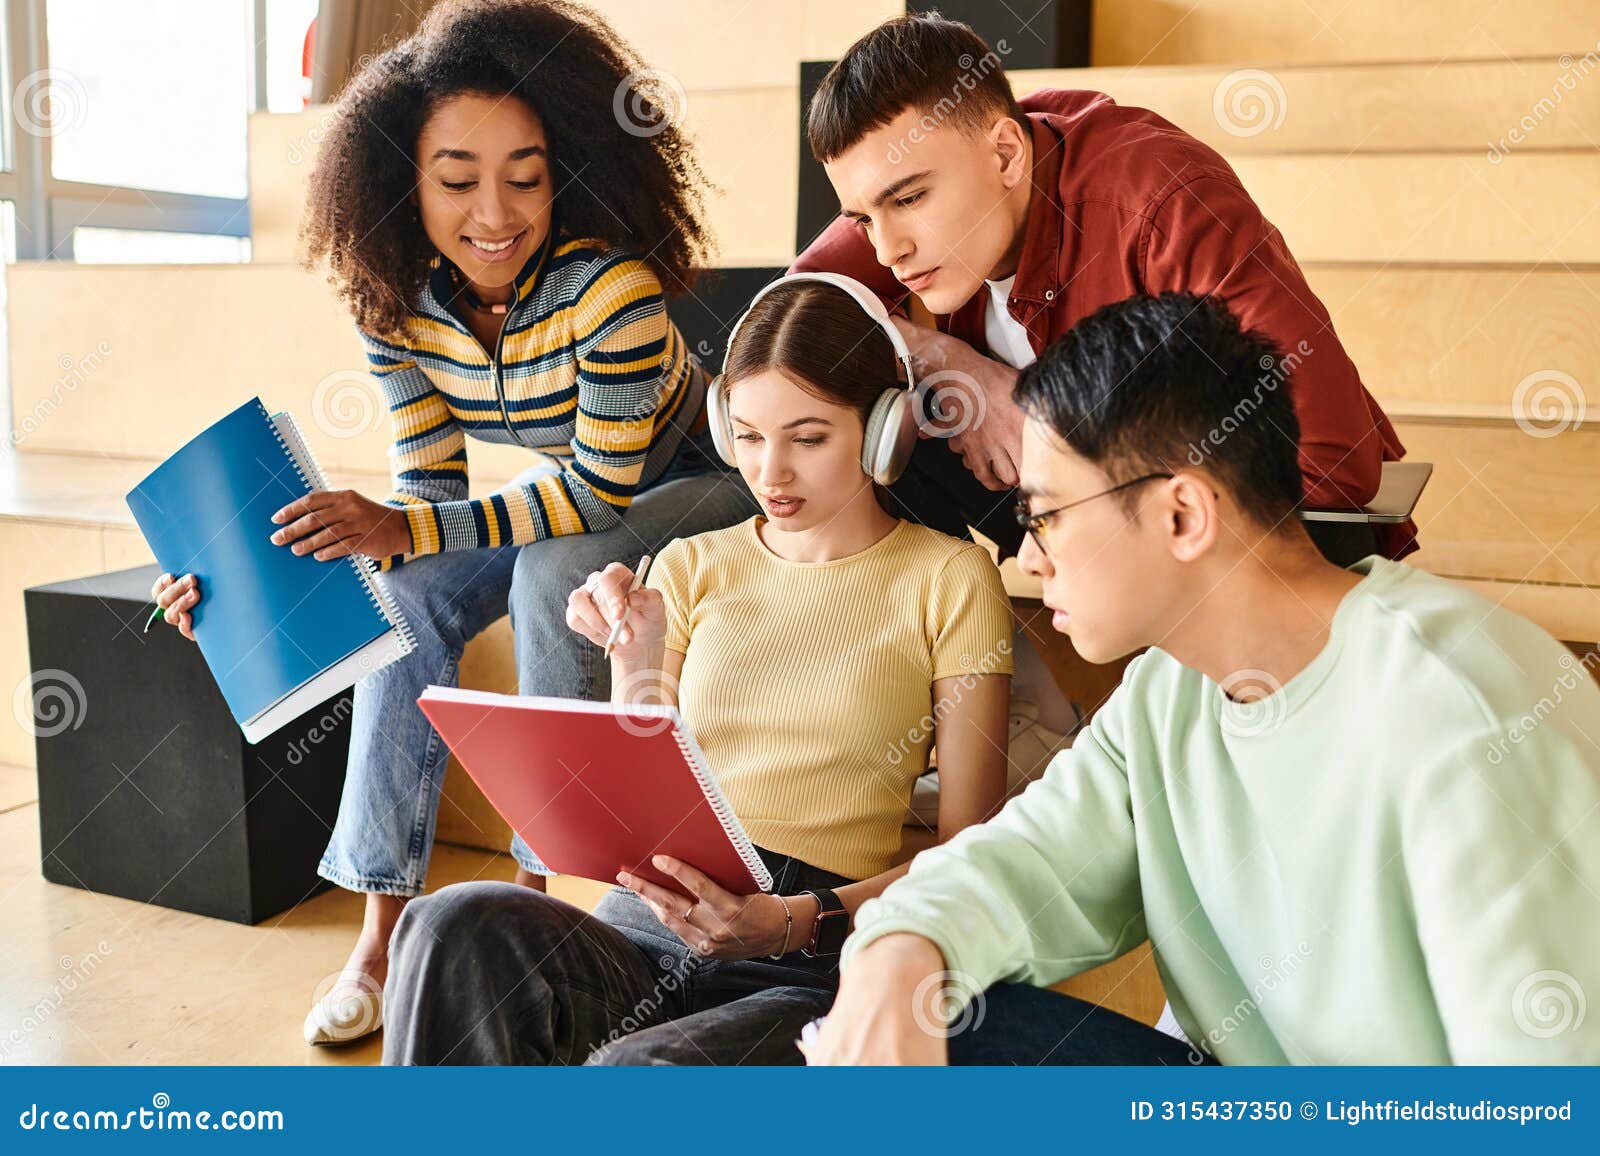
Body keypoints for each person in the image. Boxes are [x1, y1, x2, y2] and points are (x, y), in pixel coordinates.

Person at [147, 0, 761, 1045]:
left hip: (699, 478)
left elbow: (596, 497)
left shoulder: (610, 289)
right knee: (408, 590)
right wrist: (250, 588)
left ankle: (538, 903)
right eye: (456, 178)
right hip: (575, 490)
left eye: (524, 175)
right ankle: (380, 932)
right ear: (402, 179)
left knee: (550, 572)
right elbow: (428, 500)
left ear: (562, 167)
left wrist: (401, 527)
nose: (495, 209)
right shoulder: (395, 302)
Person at [806, 292, 1600, 1065]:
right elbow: (1019, 865)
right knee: (924, 1008)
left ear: (1183, 515)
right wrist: (899, 949)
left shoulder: (1464, 716)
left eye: (1044, 515)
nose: (1028, 556)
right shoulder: (1165, 694)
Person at [381, 275, 1016, 1065]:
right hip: (644, 925)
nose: (771, 472)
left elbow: (972, 852)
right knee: (450, 921)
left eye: (808, 438)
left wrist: (794, 919)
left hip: (806, 955)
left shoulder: (950, 579)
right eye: (748, 437)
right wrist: (632, 664)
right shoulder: (688, 564)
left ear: (883, 430)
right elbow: (636, 805)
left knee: (638, 1074)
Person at [794, 12, 1412, 571]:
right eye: (863, 220)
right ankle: (969, 657)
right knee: (854, 417)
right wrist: (950, 362)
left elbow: (1330, 461)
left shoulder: (1162, 198)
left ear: (1007, 154)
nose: (886, 250)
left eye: (908, 200)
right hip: (1080, 522)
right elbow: (791, 322)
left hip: (1246, 536)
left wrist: (1049, 429)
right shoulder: (933, 176)